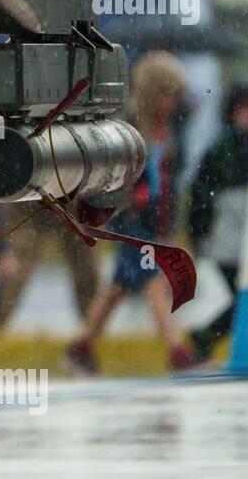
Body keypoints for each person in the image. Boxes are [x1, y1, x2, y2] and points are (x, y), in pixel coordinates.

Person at [67, 51, 195, 373]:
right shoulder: (128, 124)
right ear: (154, 94)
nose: (173, 102)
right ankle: (177, 351)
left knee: (119, 285)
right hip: (129, 217)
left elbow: (170, 177)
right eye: (167, 95)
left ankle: (81, 346)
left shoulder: (171, 130)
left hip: (153, 216)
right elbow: (116, 173)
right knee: (153, 280)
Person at [185, 82, 248, 362]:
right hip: (226, 239)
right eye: (242, 108)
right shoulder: (221, 149)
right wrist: (199, 234)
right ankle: (205, 339)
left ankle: (208, 340)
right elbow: (200, 195)